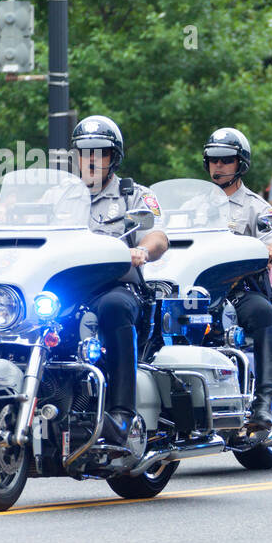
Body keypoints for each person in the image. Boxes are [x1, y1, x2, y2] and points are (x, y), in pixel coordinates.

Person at [72, 114, 169, 447]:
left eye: (100, 152)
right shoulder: (60, 199)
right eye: (85, 152)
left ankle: (121, 413)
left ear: (113, 157)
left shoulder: (133, 195)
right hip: (69, 288)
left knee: (114, 307)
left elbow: (158, 236)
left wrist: (142, 250)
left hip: (116, 284)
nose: (92, 159)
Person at [202, 127, 272, 432]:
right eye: (213, 159)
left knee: (265, 313)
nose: (218, 165)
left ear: (240, 163)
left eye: (226, 159)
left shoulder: (257, 206)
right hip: (197, 289)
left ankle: (265, 399)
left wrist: (269, 250)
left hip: (238, 290)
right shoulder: (194, 206)